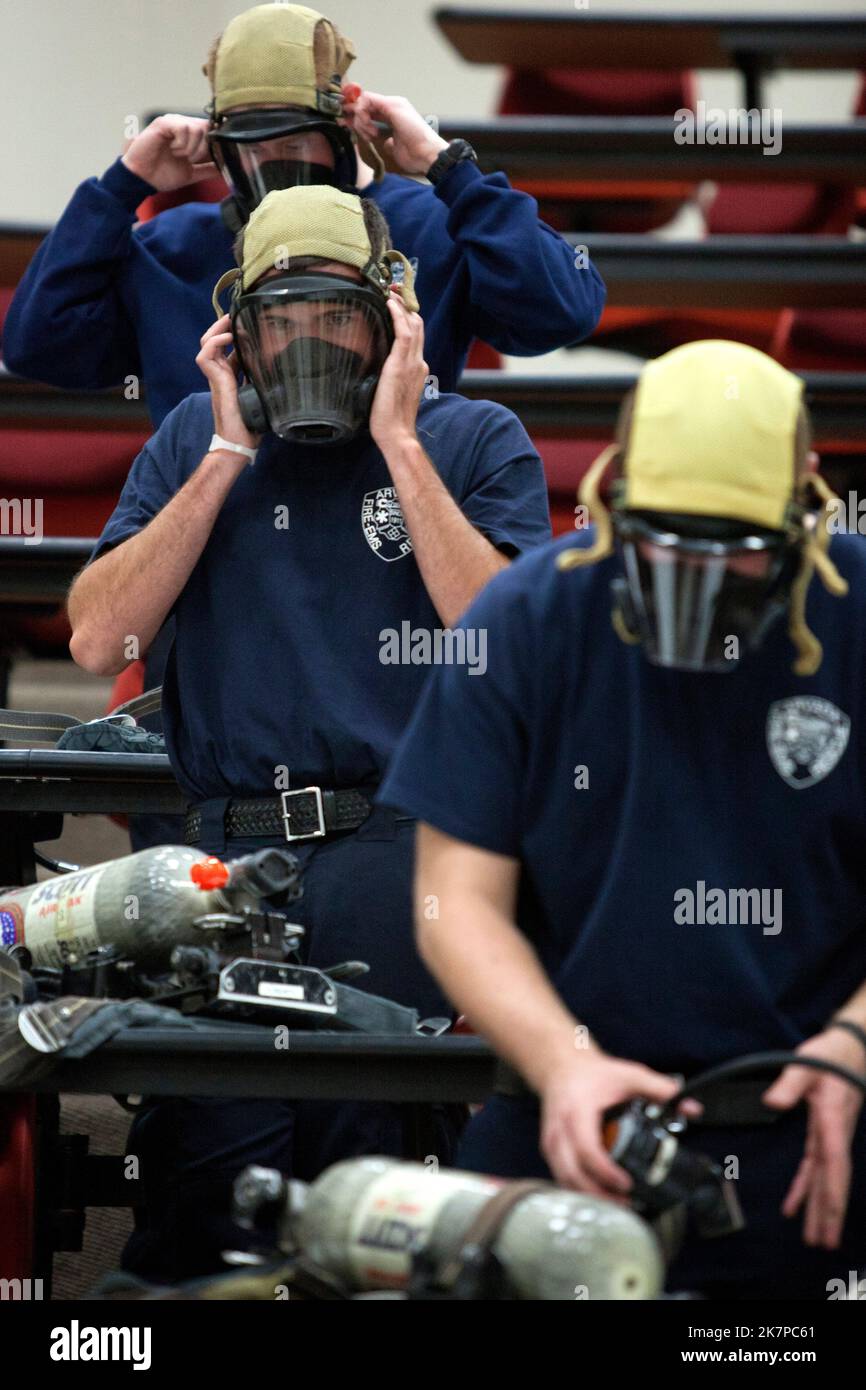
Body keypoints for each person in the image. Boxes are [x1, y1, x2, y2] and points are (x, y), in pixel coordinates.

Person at [66, 185, 551, 1281]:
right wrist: (225, 456)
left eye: (336, 314)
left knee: (368, 1176)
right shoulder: (196, 436)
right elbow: (100, 637)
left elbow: (508, 639)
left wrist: (397, 442)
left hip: (398, 842)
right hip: (220, 854)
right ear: (242, 330)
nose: (311, 341)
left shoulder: (472, 436)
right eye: (283, 318)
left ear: (389, 318)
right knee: (211, 1171)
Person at [380, 339, 866, 1300]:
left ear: (806, 504)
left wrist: (855, 1040)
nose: (696, 581)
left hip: (818, 1112)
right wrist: (564, 1065)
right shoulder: (525, 619)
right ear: (612, 490)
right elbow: (454, 900)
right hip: (577, 1095)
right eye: (663, 547)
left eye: (733, 557)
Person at [3, 2, 605, 425]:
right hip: (216, 540)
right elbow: (38, 348)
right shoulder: (172, 248)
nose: (272, 164)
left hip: (387, 528)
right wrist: (118, 188)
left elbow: (562, 314)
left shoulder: (432, 226)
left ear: (344, 125)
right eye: (251, 148)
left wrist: (450, 170)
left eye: (294, 144)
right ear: (220, 147)